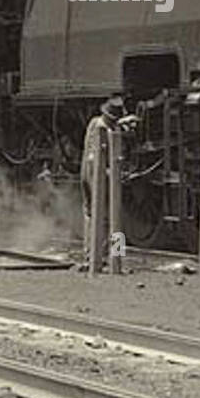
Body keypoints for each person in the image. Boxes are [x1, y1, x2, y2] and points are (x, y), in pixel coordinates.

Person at [80, 95, 129, 269]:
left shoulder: (94, 123)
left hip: (86, 174)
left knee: (91, 215)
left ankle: (91, 255)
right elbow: (99, 160)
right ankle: (116, 256)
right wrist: (113, 173)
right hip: (101, 178)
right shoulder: (106, 131)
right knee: (114, 217)